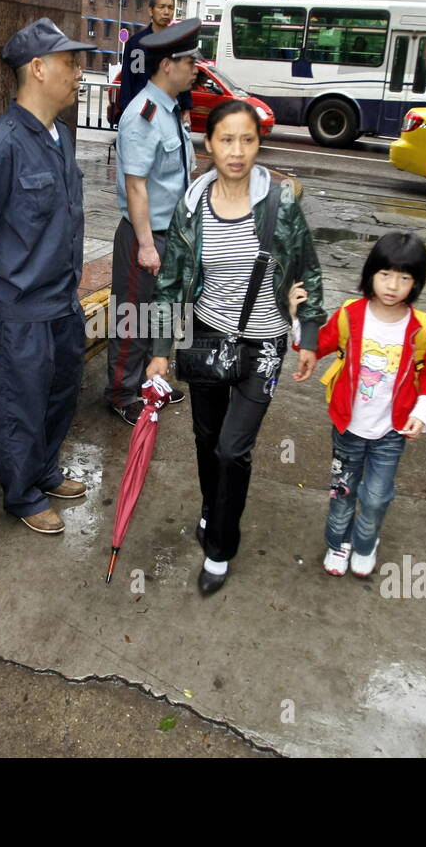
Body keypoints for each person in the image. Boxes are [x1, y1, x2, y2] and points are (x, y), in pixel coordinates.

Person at [145, 100, 325, 595]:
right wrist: (160, 348)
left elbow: (308, 269)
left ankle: (221, 547)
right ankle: (211, 508)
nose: (237, 151)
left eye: (247, 140)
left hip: (263, 345)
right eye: (226, 139)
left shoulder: (280, 203)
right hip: (206, 336)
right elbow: (172, 282)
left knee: (231, 448)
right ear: (209, 144)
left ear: (259, 145)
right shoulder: (192, 203)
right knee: (206, 440)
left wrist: (307, 334)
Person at [0, 18, 96, 535]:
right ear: (38, 68)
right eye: (70, 63)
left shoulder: (61, 136)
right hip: (20, 310)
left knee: (61, 394)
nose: (79, 73)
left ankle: (45, 469)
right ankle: (21, 494)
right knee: (20, 406)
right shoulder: (0, 144)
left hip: (62, 301)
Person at [311, 233, 426, 578]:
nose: (392, 285)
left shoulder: (422, 328)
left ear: (416, 283)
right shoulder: (350, 315)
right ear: (371, 274)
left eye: (404, 277)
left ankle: (366, 543)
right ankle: (337, 542)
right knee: (343, 491)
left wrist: (421, 411)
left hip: (392, 430)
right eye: (385, 274)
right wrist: (300, 319)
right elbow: (316, 344)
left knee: (375, 496)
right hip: (347, 426)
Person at [107, 19, 200, 423]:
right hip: (146, 235)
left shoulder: (171, 111)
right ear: (167, 65)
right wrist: (146, 244)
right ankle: (121, 392)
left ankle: (150, 380)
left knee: (160, 312)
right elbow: (137, 187)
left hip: (171, 234)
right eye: (190, 62)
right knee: (133, 313)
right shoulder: (143, 114)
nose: (196, 69)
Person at [117, 0, 192, 125]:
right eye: (161, 7)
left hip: (171, 109)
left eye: (170, 7)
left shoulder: (179, 44)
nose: (166, 12)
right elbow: (129, 80)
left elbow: (184, 77)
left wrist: (186, 109)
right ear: (150, 11)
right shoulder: (137, 43)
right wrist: (126, 109)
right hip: (143, 110)